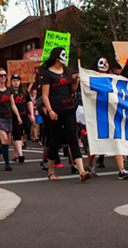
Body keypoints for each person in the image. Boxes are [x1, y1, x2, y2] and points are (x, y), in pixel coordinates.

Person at [42, 47, 91, 182]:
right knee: (55, 140)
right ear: (57, 57)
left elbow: (71, 90)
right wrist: (50, 111)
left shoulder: (67, 71)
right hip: (56, 111)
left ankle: (82, 171)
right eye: (63, 55)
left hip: (69, 109)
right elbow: (45, 95)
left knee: (73, 139)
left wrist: (76, 83)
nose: (66, 57)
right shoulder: (48, 73)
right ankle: (51, 171)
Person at [85, 57, 128, 179]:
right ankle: (89, 166)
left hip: (112, 113)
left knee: (117, 139)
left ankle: (121, 169)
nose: (105, 65)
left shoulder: (113, 79)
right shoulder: (91, 79)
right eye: (102, 62)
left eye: (107, 62)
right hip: (97, 114)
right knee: (95, 140)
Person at [0, 69, 22, 171]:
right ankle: (7, 164)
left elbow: (13, 104)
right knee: (4, 139)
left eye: (5, 75)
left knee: (6, 143)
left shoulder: (9, 90)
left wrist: (18, 116)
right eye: (1, 75)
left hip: (8, 117)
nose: (3, 77)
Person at [9, 74, 33, 163]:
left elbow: (29, 103)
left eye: (17, 80)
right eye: (14, 80)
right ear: (11, 82)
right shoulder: (9, 91)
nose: (16, 82)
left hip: (24, 115)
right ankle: (20, 154)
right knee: (17, 134)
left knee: (27, 130)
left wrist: (32, 115)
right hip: (14, 116)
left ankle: (16, 152)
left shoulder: (24, 91)